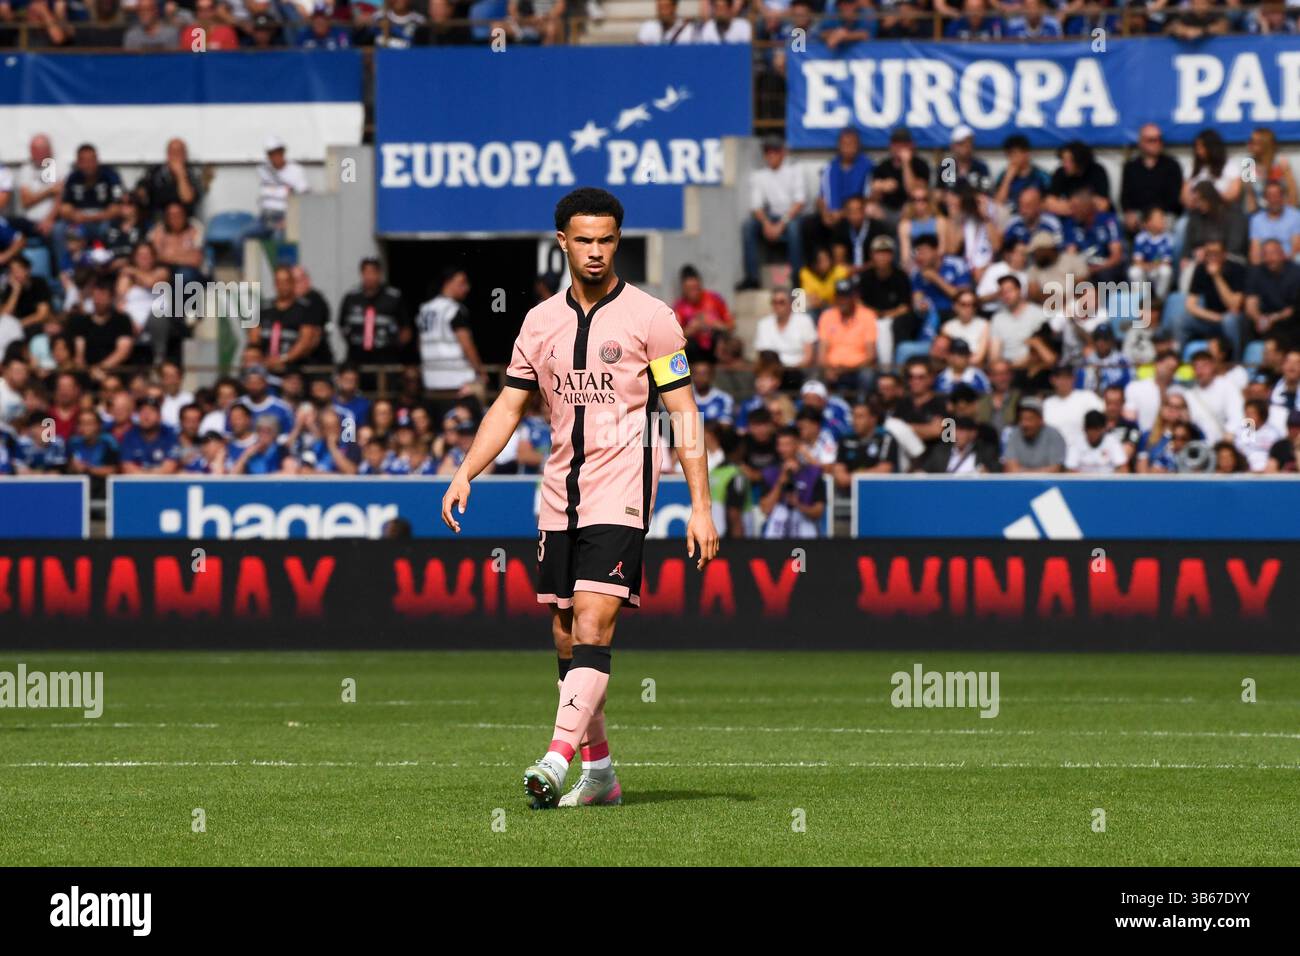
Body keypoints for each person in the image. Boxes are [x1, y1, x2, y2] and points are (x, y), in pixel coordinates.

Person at [439, 188, 718, 810]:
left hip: (621, 492)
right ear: (562, 241)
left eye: (608, 240)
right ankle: (600, 772)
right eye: (584, 240)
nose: (596, 252)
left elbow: (683, 413)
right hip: (557, 495)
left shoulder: (652, 317)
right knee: (566, 635)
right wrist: (466, 471)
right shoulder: (539, 322)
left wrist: (701, 505)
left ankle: (555, 758)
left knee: (594, 620)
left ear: (620, 241)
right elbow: (509, 404)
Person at [417, 266, 485, 391]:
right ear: (448, 283)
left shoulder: (425, 309)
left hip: (430, 378)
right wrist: (480, 371)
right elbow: (466, 344)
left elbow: (420, 344)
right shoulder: (453, 309)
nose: (467, 288)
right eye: (462, 283)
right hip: (456, 378)